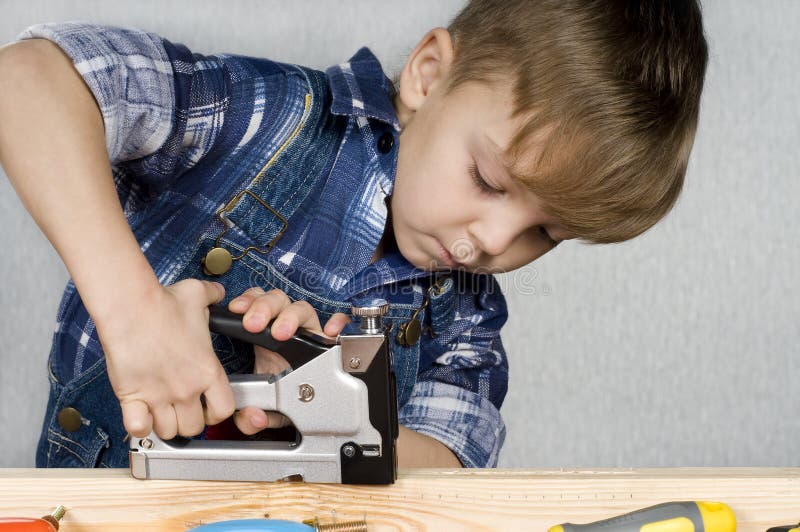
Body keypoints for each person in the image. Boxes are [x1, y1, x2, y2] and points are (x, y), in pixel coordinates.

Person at [0, 0, 708, 469]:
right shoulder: (263, 119)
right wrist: (134, 312)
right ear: (430, 76)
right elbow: (26, 80)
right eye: (490, 182)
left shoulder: (466, 309)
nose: (489, 242)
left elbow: (449, 464)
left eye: (545, 231)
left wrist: (323, 424)